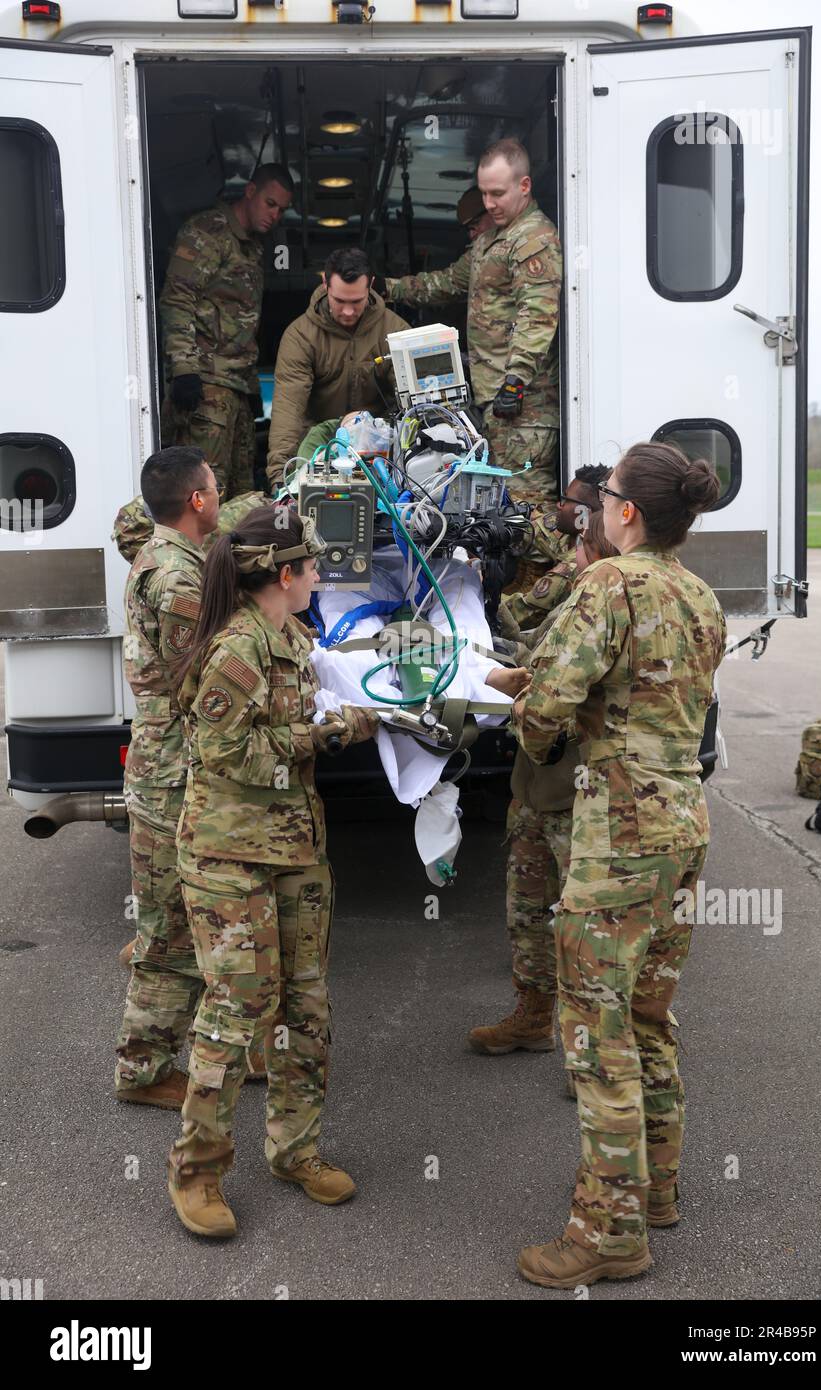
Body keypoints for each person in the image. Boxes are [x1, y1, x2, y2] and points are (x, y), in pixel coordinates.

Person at [510, 441, 727, 1290]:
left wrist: (525, 716)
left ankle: (609, 1234)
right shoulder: (699, 594)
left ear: (626, 512)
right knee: (647, 1020)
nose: (597, 507)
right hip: (682, 824)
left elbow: (552, 704)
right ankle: (658, 1188)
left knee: (597, 1041)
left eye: (605, 497)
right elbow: (655, 691)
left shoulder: (608, 584)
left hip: (619, 833)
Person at [166, 506, 378, 1238]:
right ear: (283, 576)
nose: (320, 576)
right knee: (235, 1016)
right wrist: (323, 733)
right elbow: (226, 753)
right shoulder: (237, 649)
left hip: (294, 851)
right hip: (229, 856)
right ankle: (196, 1172)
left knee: (306, 1010)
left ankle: (295, 1150)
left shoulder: (291, 634)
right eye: (313, 567)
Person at [470, 515, 620, 1057]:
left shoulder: (603, 610)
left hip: (574, 795)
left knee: (584, 931)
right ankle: (533, 1019)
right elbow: (530, 647)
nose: (571, 555)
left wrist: (490, 678)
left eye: (580, 544)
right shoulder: (575, 605)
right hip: (535, 793)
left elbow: (543, 677)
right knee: (528, 916)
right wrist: (489, 600)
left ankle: (598, 1054)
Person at [114, 447, 220, 1111]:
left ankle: (218, 1045)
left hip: (167, 767)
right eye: (213, 484)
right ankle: (146, 1068)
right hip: (172, 777)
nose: (219, 489)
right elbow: (204, 675)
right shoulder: (176, 578)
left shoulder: (163, 551)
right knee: (170, 932)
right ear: (198, 501)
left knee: (189, 922)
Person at [385, 138, 562, 508]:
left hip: (524, 406)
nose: (489, 204)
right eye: (484, 194)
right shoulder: (491, 241)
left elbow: (538, 314)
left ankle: (546, 569)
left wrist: (515, 379)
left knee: (528, 504)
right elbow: (447, 282)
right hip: (495, 402)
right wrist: (385, 288)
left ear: (524, 186)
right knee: (500, 504)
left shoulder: (534, 239)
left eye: (497, 193)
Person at [160, 164, 294, 500]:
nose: (275, 215)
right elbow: (177, 298)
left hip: (237, 386)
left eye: (281, 209)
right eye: (270, 203)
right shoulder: (208, 233)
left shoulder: (252, 247)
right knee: (205, 492)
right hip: (207, 384)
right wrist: (184, 368)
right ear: (250, 192)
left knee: (241, 495)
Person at [266, 248, 409, 493]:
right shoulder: (300, 336)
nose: (348, 312)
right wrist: (281, 475)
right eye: (339, 301)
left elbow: (414, 402)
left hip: (379, 451)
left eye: (356, 302)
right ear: (325, 284)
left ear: (371, 286)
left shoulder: (394, 330)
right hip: (317, 449)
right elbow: (288, 407)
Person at [501, 465, 610, 624]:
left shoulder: (574, 567)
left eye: (566, 500)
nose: (559, 505)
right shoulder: (569, 527)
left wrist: (481, 589)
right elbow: (532, 531)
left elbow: (520, 612)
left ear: (583, 514)